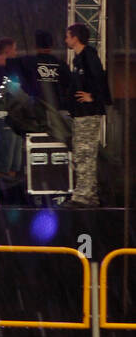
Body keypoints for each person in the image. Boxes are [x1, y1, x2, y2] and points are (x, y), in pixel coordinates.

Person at [63, 23, 110, 208]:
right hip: (80, 113)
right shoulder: (79, 59)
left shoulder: (89, 56)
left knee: (84, 153)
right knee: (83, 153)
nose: (66, 40)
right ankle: (89, 194)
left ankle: (83, 196)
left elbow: (100, 78)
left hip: (88, 114)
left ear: (75, 38)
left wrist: (93, 96)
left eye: (68, 36)